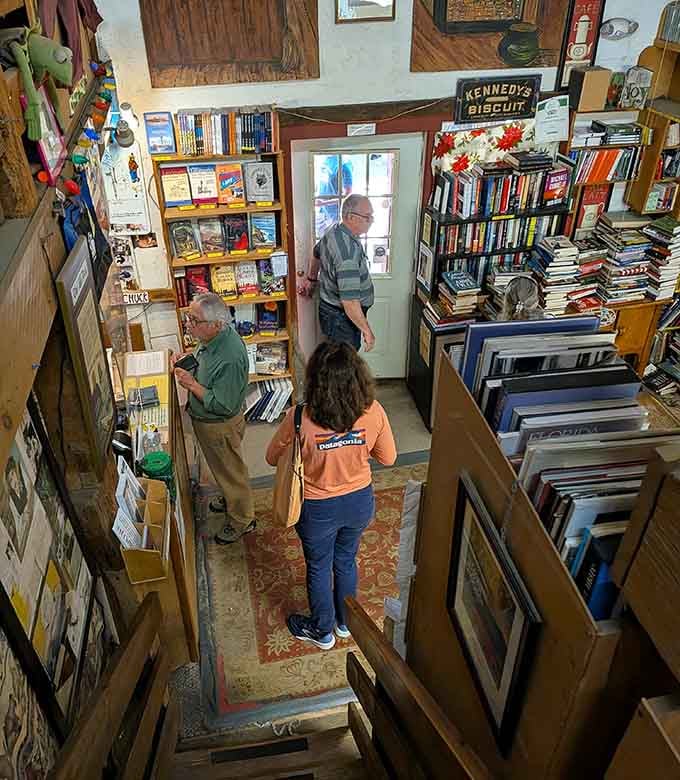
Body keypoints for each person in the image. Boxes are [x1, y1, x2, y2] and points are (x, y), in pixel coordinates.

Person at [265, 342, 397, 650]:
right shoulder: (374, 411)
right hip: (358, 503)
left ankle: (322, 630)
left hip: (316, 509)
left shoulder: (299, 418)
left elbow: (271, 458)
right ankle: (345, 622)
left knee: (319, 566)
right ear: (359, 377)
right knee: (346, 559)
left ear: (314, 379)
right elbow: (388, 457)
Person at [172, 292, 256, 545]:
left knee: (232, 474)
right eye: (188, 317)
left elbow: (223, 404)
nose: (188, 324)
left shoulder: (230, 357)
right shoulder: (212, 337)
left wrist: (191, 384)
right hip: (209, 424)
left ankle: (242, 520)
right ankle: (231, 500)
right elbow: (204, 358)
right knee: (222, 469)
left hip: (219, 427)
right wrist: (187, 360)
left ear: (216, 324)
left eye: (194, 320)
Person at [299, 194, 376, 352]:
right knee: (344, 361)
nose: (371, 221)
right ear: (351, 217)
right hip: (341, 319)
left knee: (334, 357)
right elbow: (350, 303)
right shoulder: (347, 255)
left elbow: (316, 253)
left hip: (333, 313)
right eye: (367, 217)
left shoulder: (335, 230)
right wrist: (367, 331)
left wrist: (311, 279)